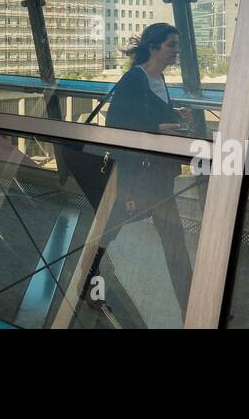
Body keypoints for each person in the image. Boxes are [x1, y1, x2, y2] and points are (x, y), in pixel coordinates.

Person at [99, 22, 194, 319]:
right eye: (171, 45)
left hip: (157, 174)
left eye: (177, 45)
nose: (176, 51)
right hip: (137, 174)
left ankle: (192, 302)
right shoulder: (133, 79)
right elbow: (117, 122)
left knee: (171, 237)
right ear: (153, 47)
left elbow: (148, 111)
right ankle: (193, 305)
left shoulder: (159, 79)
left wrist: (173, 114)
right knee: (110, 229)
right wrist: (158, 126)